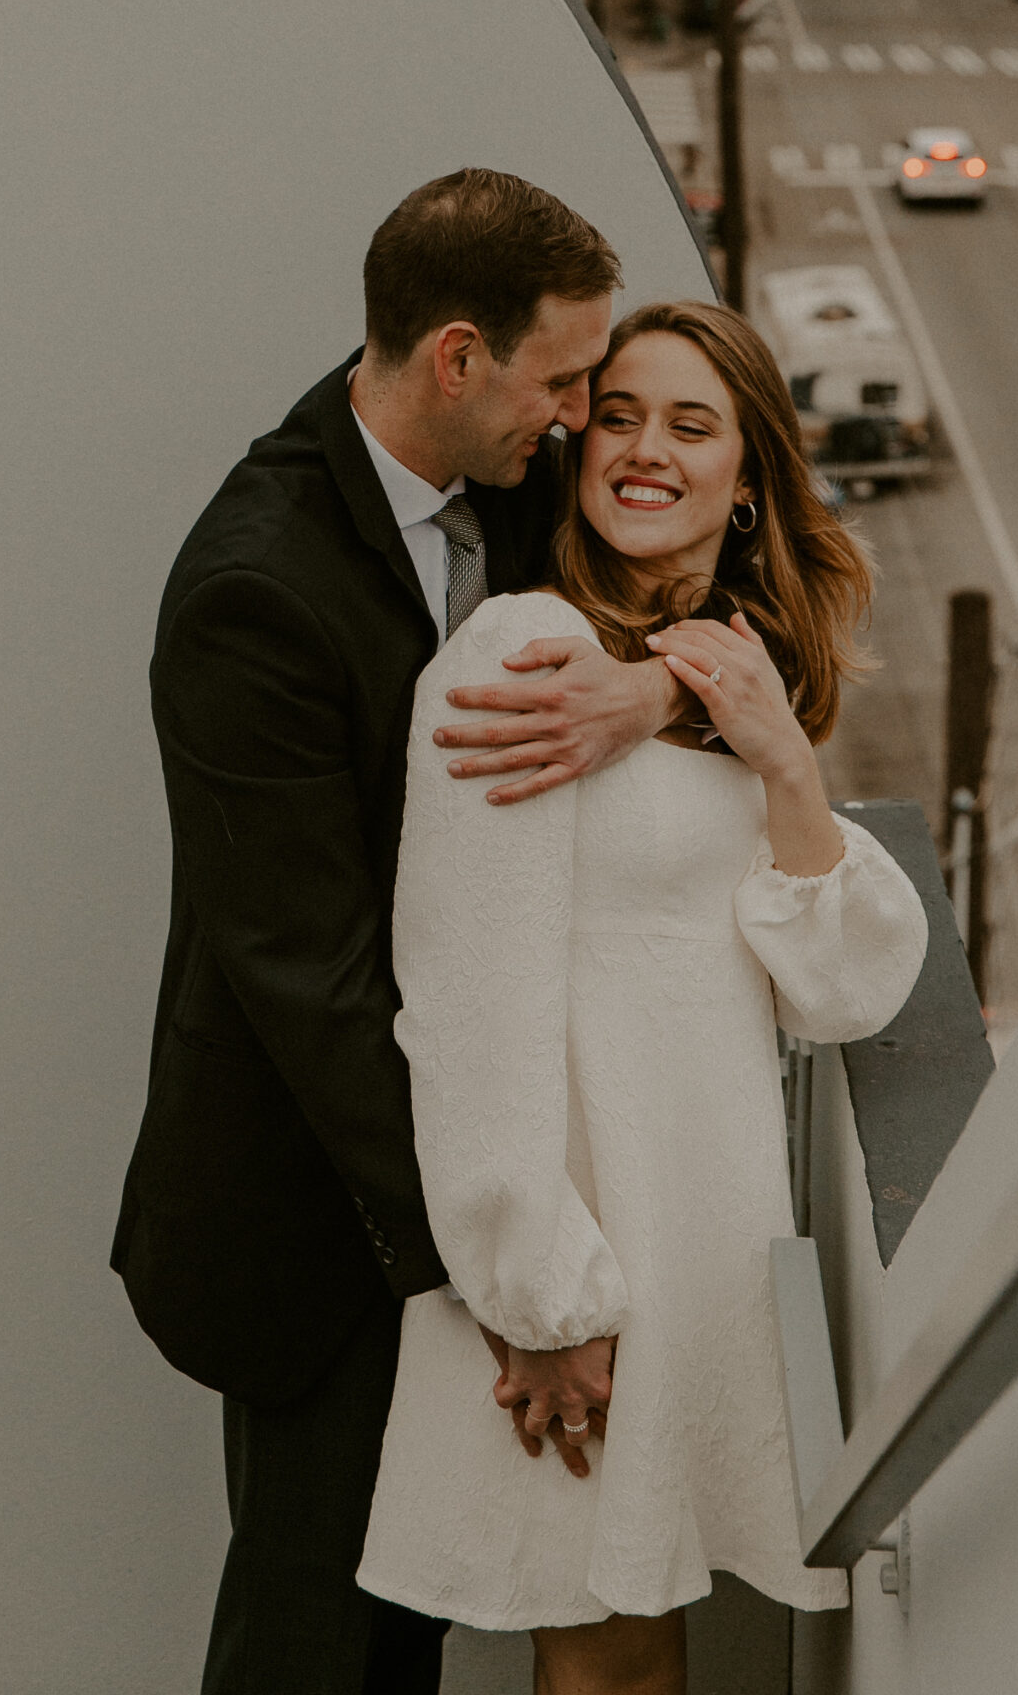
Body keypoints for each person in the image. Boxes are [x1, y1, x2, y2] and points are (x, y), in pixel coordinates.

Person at [111, 170, 696, 1695]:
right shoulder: (254, 587)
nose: (580, 419)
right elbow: (308, 982)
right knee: (321, 1643)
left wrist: (654, 690)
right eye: (563, 378)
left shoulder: (511, 486)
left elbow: (733, 582)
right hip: (325, 1215)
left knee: (420, 1630)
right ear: (456, 356)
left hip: (471, 1181)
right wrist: (502, 1282)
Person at [357, 301, 930, 1691]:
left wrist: (782, 763)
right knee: (603, 1653)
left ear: (748, 480)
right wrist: (541, 1296)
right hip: (581, 1244)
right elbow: (461, 1003)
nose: (641, 451)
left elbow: (843, 989)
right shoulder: (519, 659)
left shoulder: (732, 678)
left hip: (700, 1237)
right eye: (616, 415)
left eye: (689, 425)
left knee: (642, 1644)